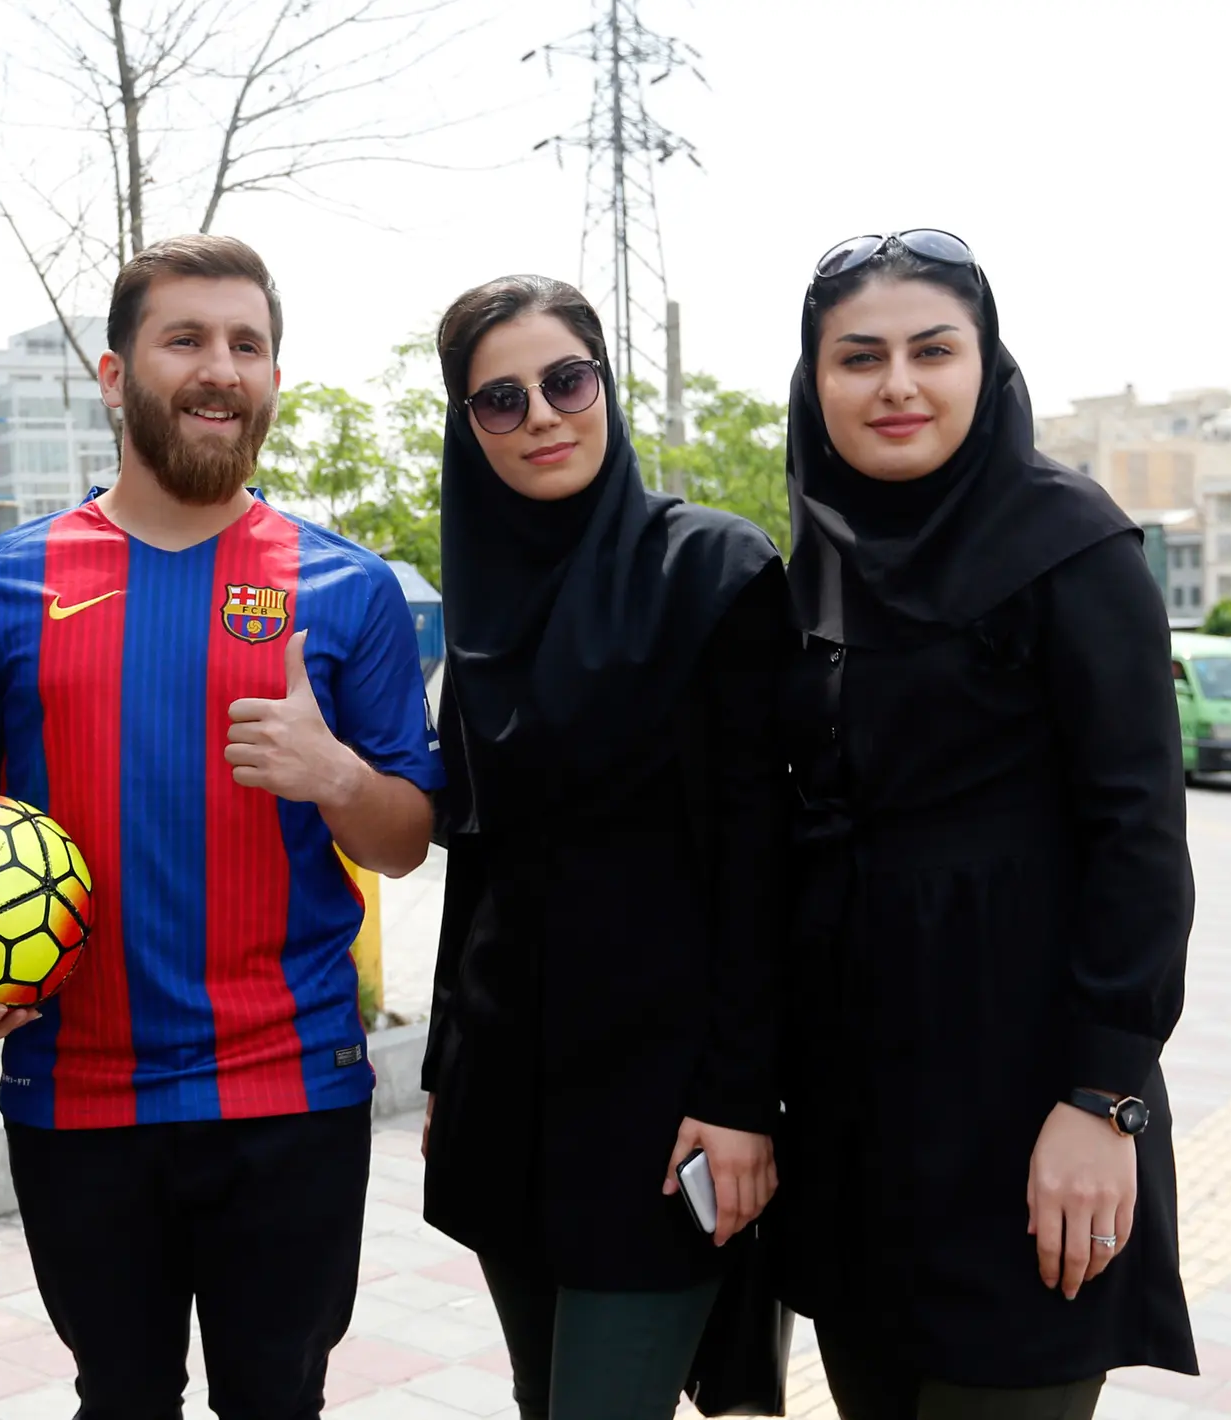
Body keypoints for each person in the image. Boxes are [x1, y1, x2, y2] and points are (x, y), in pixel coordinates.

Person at [0, 234, 441, 1419]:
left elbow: (401, 838)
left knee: (277, 1404)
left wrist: (333, 773)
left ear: (274, 377)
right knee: (118, 1400)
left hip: (290, 1092)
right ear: (112, 370)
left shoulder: (347, 587)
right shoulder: (0, 584)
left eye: (248, 344)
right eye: (184, 338)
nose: (219, 368)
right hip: (73, 1094)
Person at [775, 230, 1198, 1416]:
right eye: (856, 357)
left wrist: (1101, 1096)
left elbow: (1139, 844)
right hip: (859, 1120)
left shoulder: (1071, 547)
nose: (895, 384)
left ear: (983, 364)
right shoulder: (820, 564)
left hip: (1030, 1107)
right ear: (813, 382)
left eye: (930, 350)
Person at [416, 275, 791, 1417]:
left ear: (603, 388)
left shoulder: (713, 573)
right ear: (466, 428)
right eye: (497, 399)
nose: (539, 413)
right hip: (506, 1097)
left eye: (564, 380)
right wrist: (442, 1063)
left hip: (664, 1104)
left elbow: (764, 859)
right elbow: (475, 858)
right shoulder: (480, 614)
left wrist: (742, 1101)